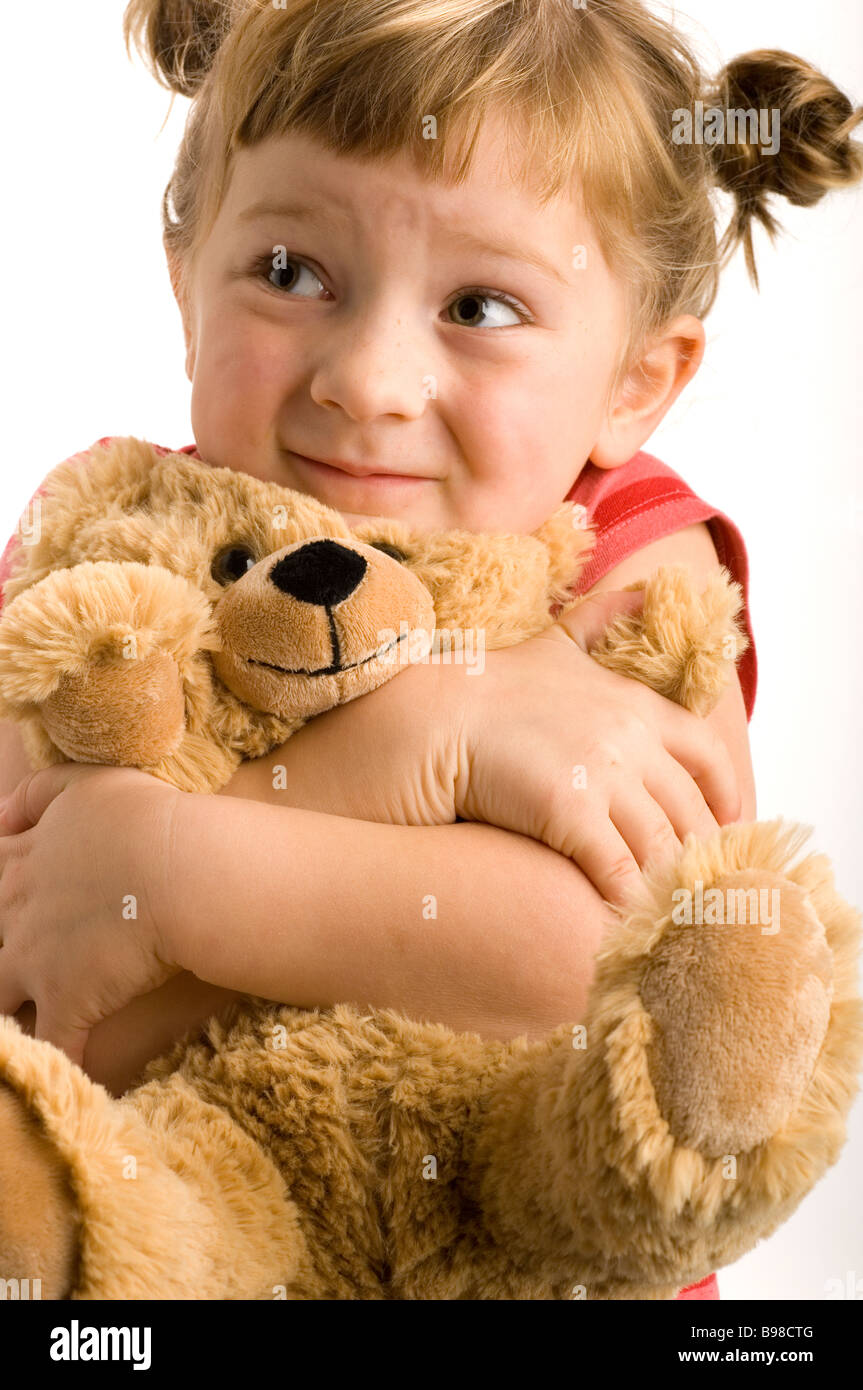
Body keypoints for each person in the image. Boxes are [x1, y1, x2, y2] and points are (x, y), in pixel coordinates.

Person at [0, 0, 859, 1300]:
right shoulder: (115, 533)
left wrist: (159, 870)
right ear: (185, 277)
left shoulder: (634, 553)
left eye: (479, 304)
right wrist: (439, 741)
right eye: (290, 273)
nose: (369, 377)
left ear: (636, 380)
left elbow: (634, 970)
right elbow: (35, 959)